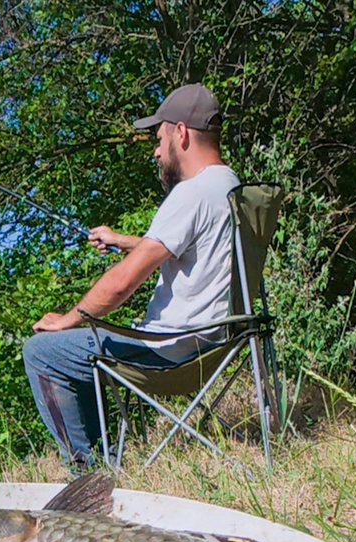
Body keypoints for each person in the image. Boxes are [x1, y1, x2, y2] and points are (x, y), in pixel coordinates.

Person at [25, 83, 241, 471]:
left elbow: (122, 283)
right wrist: (124, 241)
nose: (157, 152)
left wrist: (68, 320)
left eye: (159, 139)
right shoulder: (230, 187)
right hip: (214, 345)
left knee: (43, 351)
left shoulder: (191, 193)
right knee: (79, 348)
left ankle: (90, 472)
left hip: (168, 351)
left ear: (181, 133)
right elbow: (195, 249)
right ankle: (103, 462)